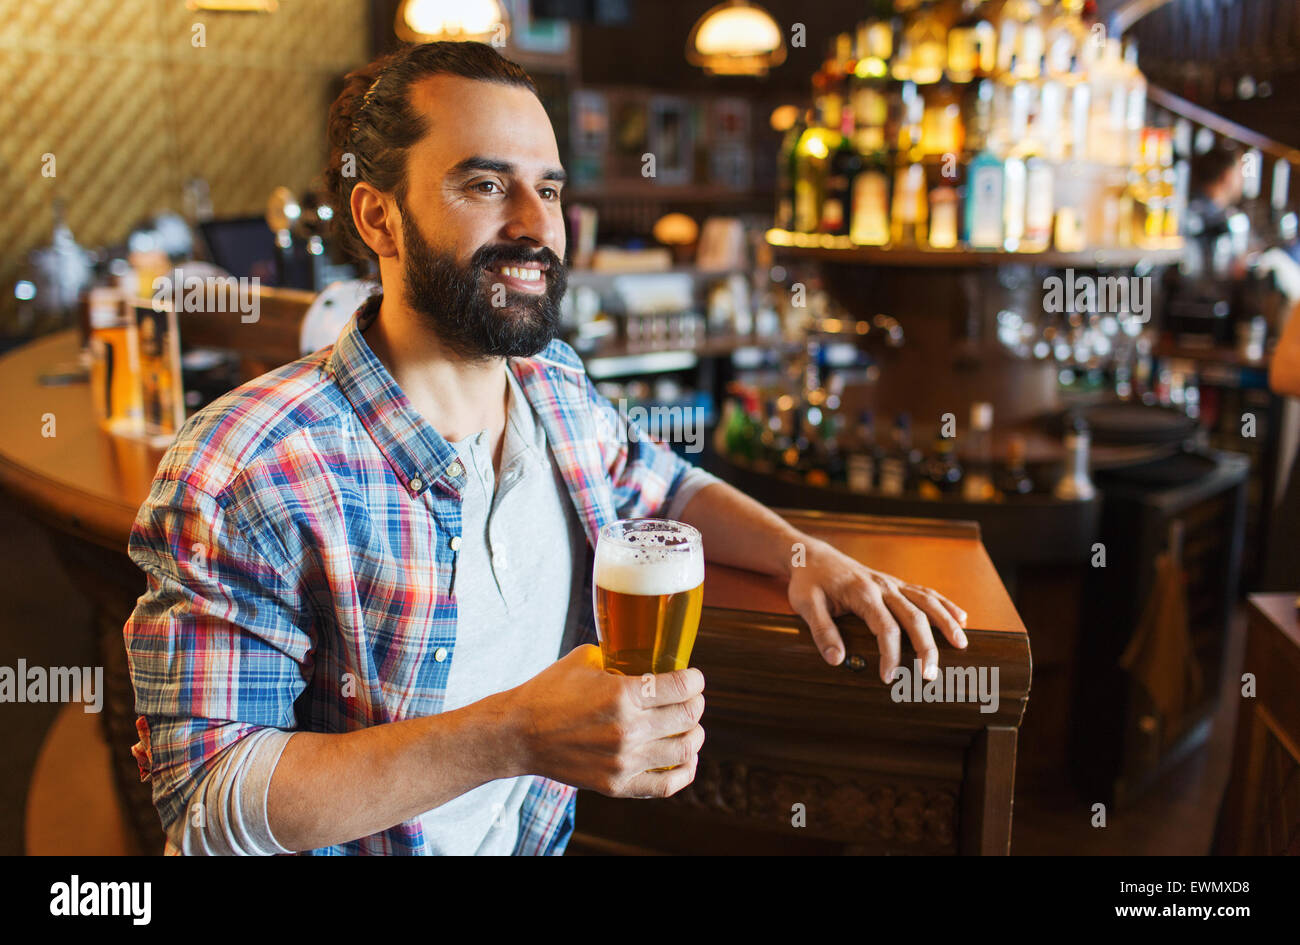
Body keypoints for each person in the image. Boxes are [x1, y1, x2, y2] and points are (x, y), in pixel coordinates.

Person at [121, 42, 968, 856]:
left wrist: (802, 554)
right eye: (487, 184)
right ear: (378, 215)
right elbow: (206, 798)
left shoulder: (553, 384)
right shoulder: (247, 466)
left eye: (551, 190)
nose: (537, 227)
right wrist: (514, 734)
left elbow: (663, 483)